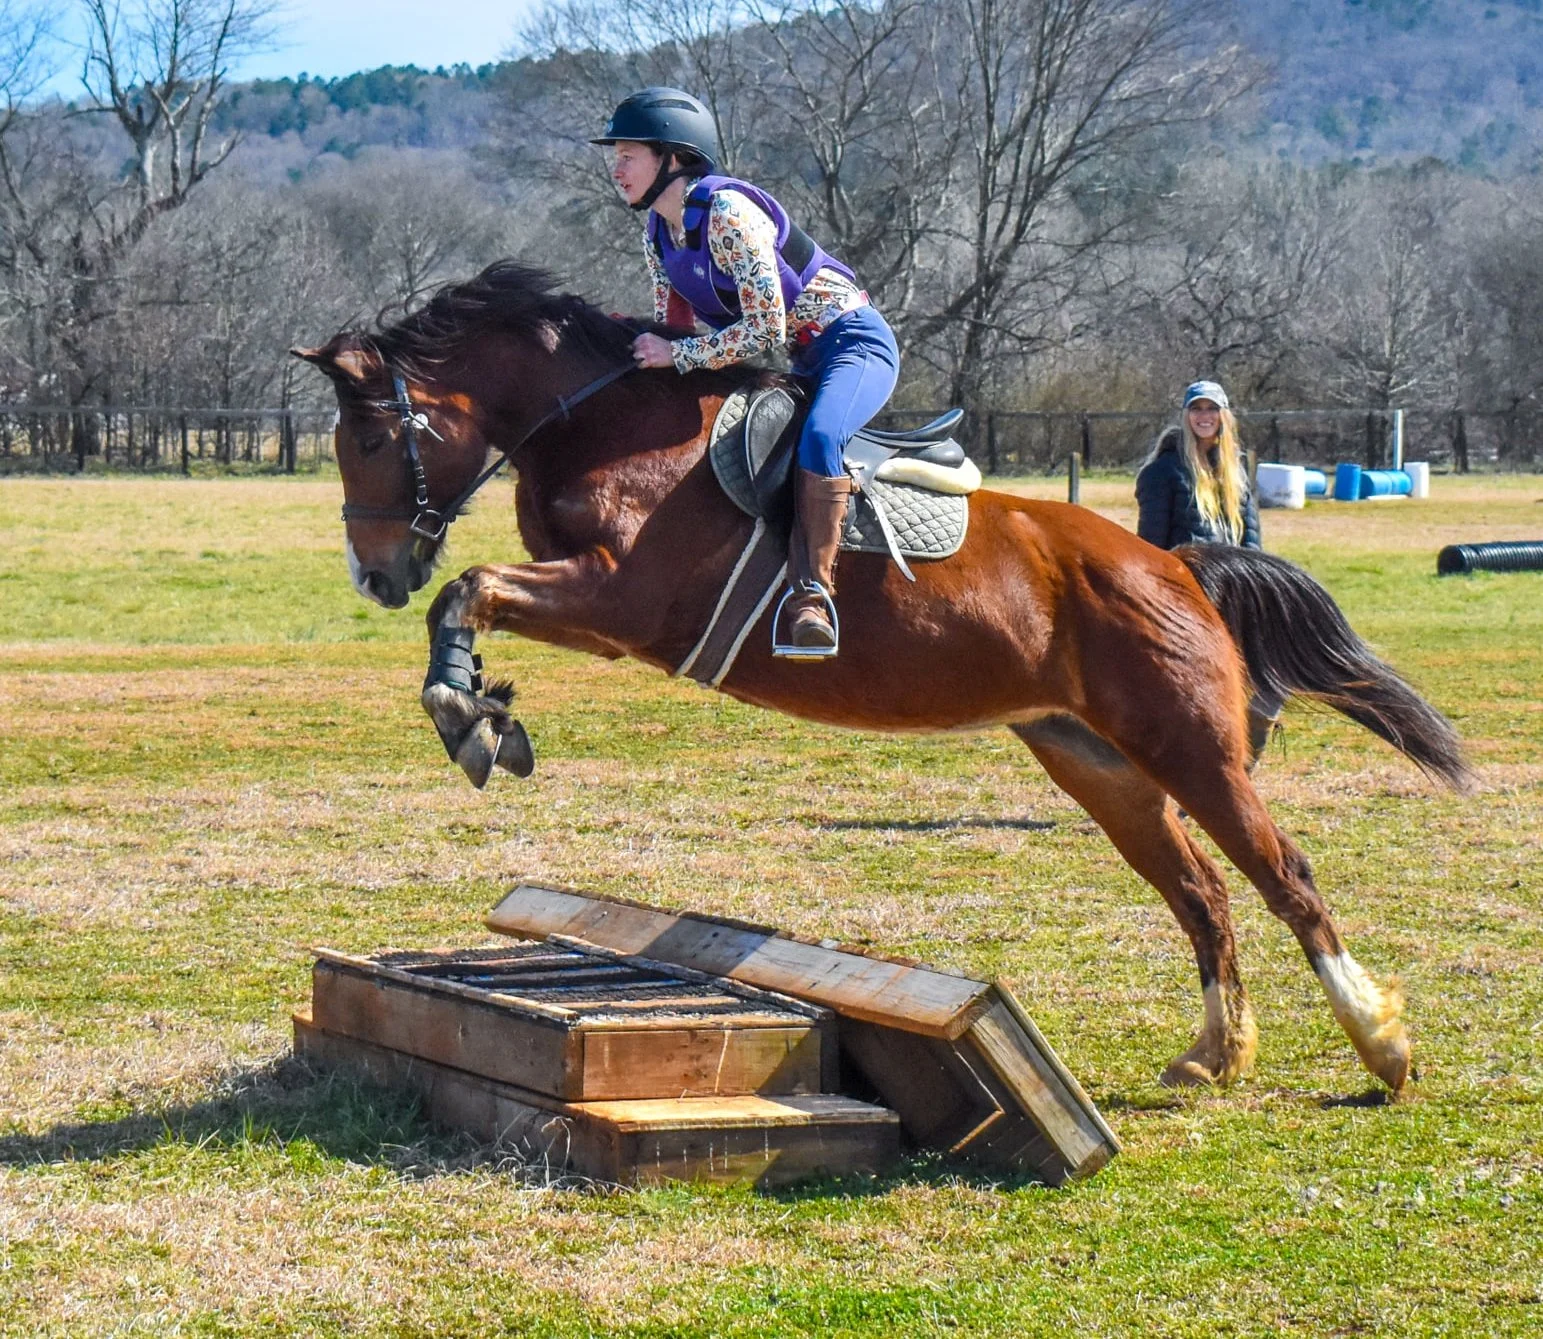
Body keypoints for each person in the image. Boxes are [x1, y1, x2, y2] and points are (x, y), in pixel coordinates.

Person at [594, 87, 900, 658]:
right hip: (803, 361)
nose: (617, 169)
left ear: (673, 158)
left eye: (628, 155)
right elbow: (676, 328)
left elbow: (761, 330)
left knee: (821, 436)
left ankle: (813, 596)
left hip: (854, 345)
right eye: (617, 157)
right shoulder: (659, 232)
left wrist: (677, 355)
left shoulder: (730, 216)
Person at [1135, 380, 1260, 551]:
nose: (1204, 416)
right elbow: (1151, 547)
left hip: (1230, 575)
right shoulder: (1162, 471)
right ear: (1186, 415)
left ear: (1224, 415)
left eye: (1212, 408)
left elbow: (1251, 543)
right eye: (1196, 409)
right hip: (1184, 574)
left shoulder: (1236, 471)